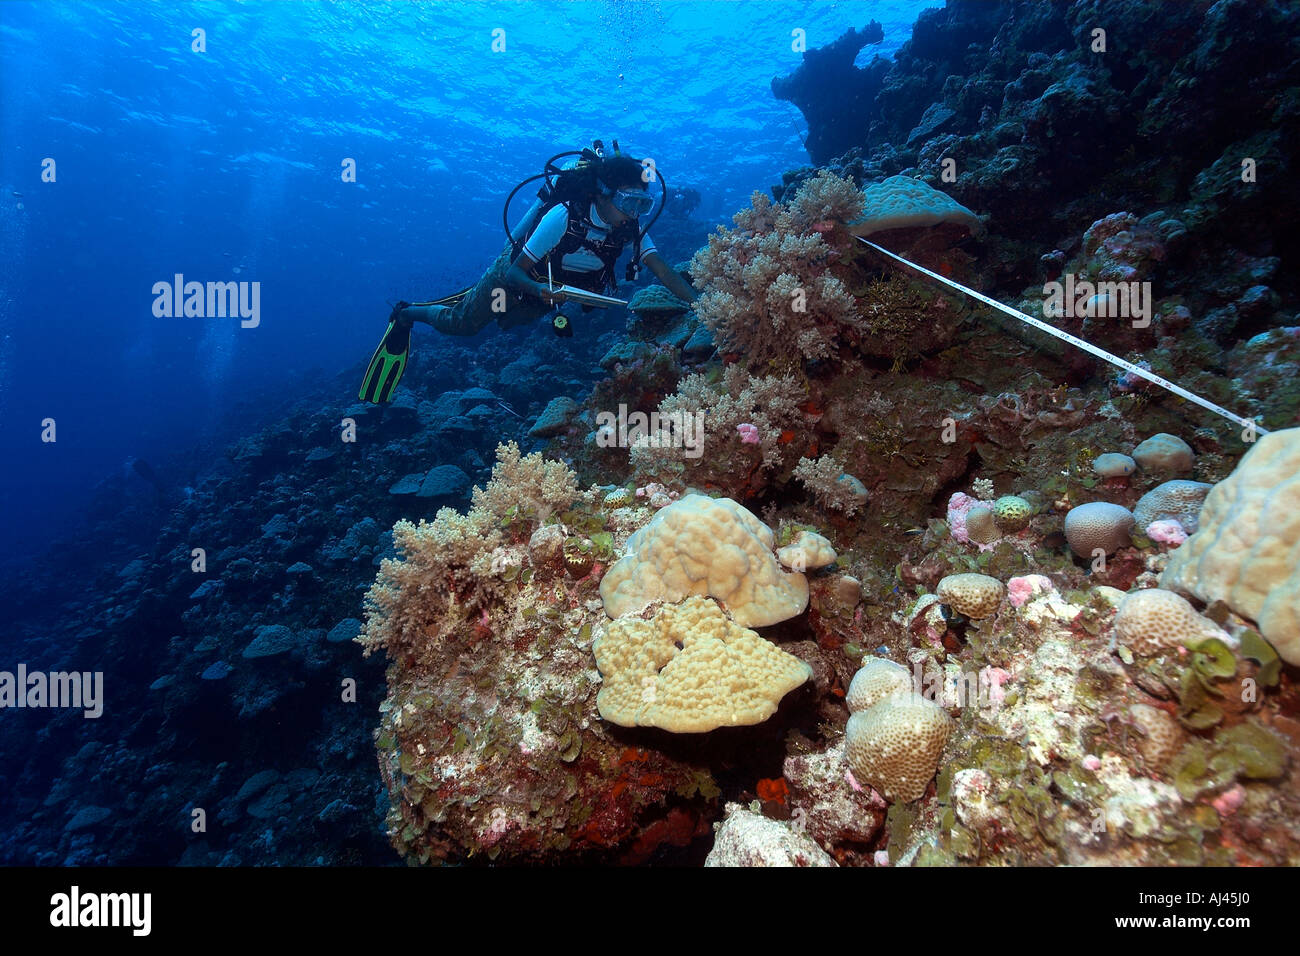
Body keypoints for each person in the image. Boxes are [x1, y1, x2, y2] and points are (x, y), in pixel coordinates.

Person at [359, 145, 698, 403]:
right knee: (465, 325)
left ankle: (472, 297)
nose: (633, 214)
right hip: (517, 275)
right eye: (628, 203)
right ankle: (407, 313)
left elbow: (664, 272)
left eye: (643, 205)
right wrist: (540, 291)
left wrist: (701, 306)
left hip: (551, 287)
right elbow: (513, 272)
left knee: (508, 322)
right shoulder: (563, 218)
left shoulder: (631, 227)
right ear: (602, 194)